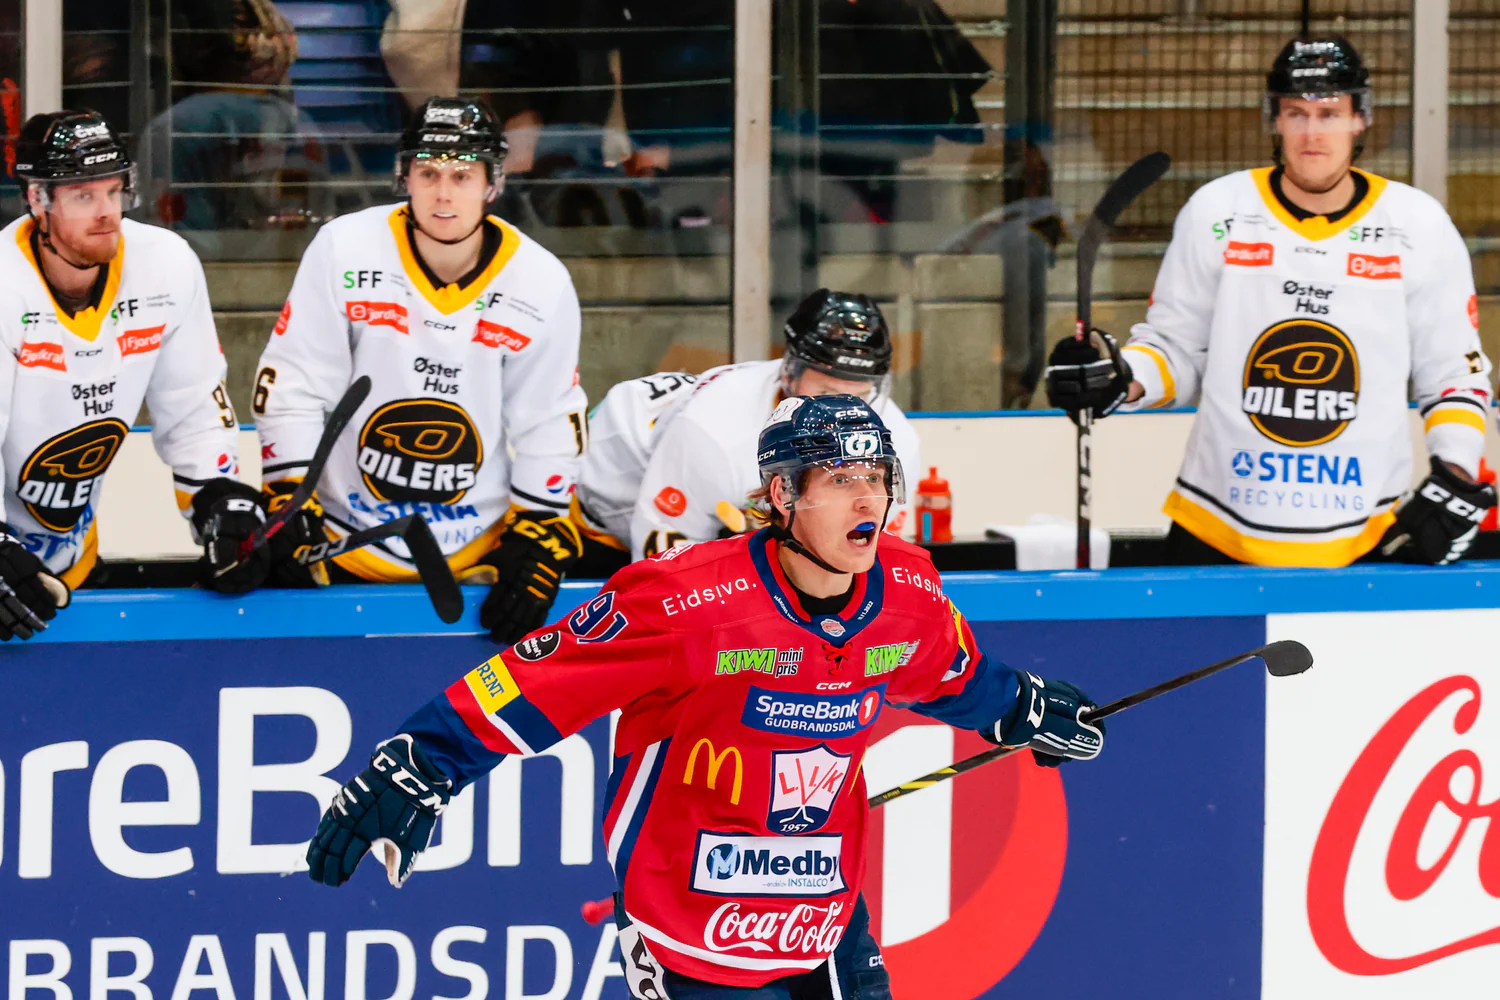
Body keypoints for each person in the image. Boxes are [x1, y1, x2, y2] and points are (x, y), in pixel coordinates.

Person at [304, 394, 1106, 999]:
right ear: (785, 497)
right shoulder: (685, 601)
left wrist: (1022, 709)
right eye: (841, 480)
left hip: (823, 925)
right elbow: (530, 680)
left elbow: (951, 673)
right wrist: (420, 765)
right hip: (687, 925)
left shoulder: (907, 589)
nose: (869, 502)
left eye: (876, 479)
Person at [1046, 36, 1496, 567]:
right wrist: (1120, 378)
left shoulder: (1416, 225)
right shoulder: (1219, 211)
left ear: (1360, 119)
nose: (1312, 133)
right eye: (1295, 113)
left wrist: (1456, 473)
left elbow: (1453, 374)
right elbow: (1175, 350)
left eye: (1329, 113)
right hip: (1218, 525)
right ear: (1274, 120)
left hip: (1365, 531)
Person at [251, 96, 588, 643]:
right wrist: (290, 496)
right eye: (428, 172)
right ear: (404, 176)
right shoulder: (345, 249)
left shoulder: (539, 281)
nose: (444, 193)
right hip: (343, 541)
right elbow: (294, 383)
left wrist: (541, 530)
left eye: (462, 175)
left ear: (492, 183)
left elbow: (548, 419)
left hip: (475, 553)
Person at [0, 110, 258, 641]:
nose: (106, 214)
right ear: (36, 201)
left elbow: (193, 405)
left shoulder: (164, 265)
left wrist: (217, 497)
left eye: (113, 192)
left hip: (70, 568)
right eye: (82, 197)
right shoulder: (5, 286)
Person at [576, 289, 923, 561]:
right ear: (789, 372)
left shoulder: (895, 439)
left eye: (858, 395)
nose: (840, 411)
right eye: (826, 391)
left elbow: (874, 557)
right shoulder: (714, 428)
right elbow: (660, 562)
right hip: (606, 499)